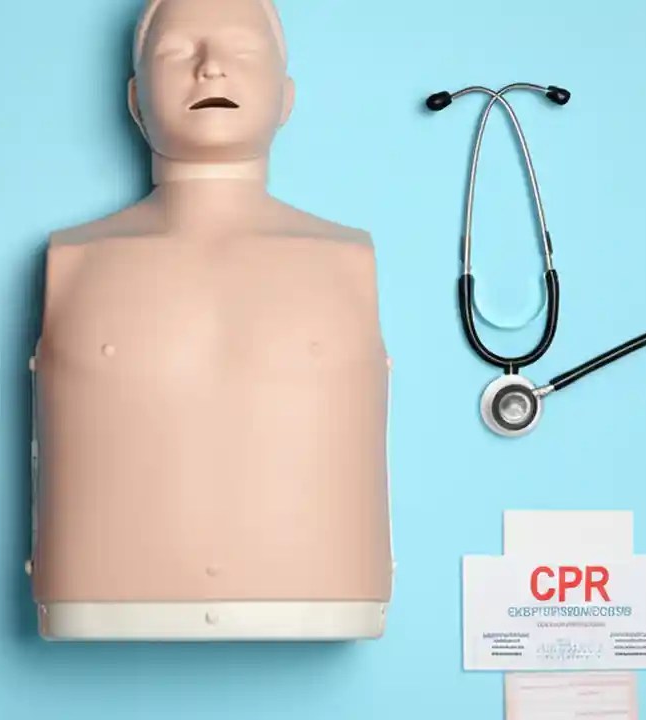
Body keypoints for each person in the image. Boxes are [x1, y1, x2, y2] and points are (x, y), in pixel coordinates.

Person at [30, 0, 393, 639]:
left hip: (325, 597)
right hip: (97, 602)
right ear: (137, 100)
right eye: (177, 51)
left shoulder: (348, 258)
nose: (211, 69)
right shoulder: (73, 259)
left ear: (286, 98)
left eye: (242, 51)